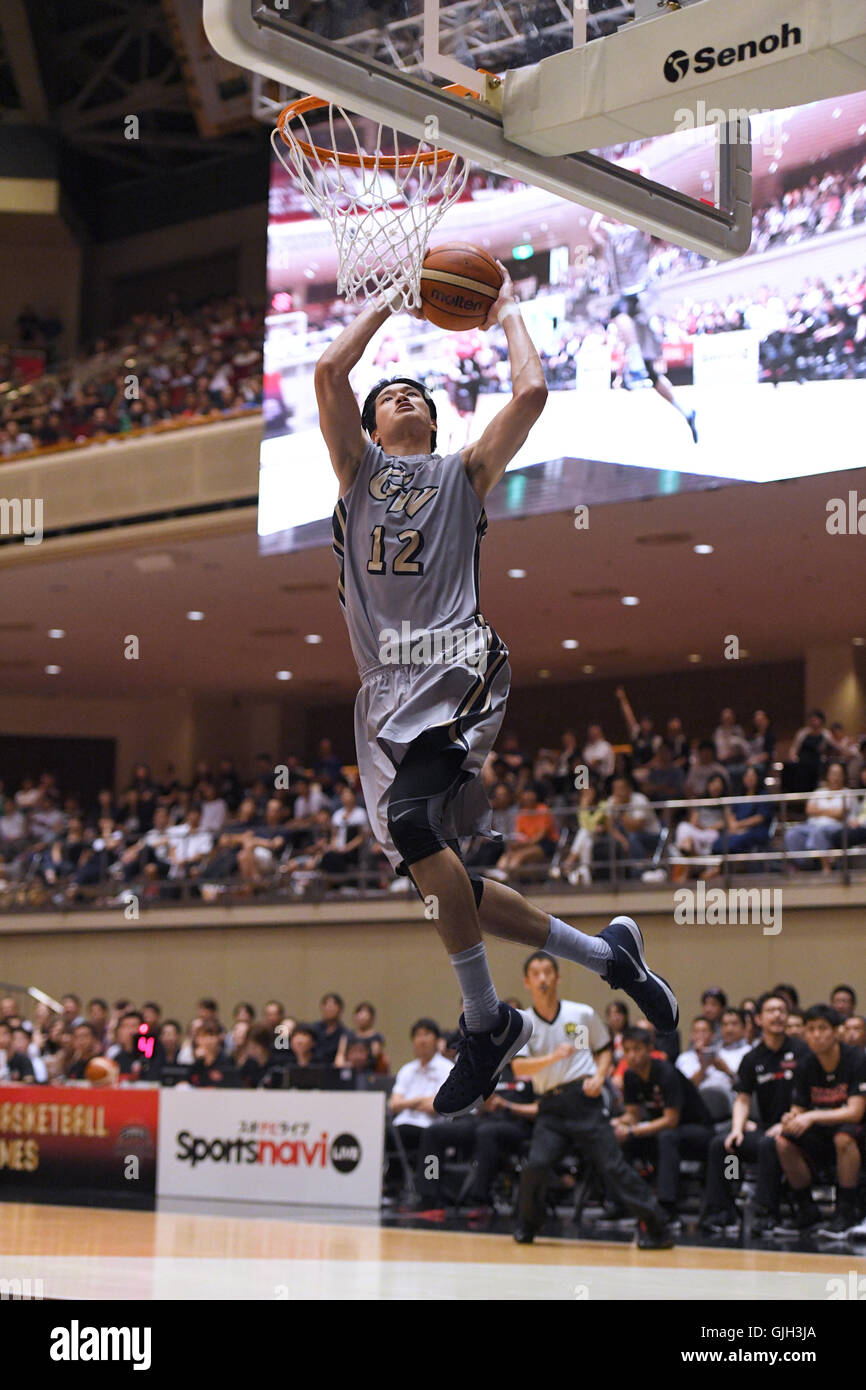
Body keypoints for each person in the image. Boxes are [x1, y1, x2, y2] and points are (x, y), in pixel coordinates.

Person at [315, 261, 678, 1114]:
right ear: (369, 425)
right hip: (382, 699)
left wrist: (509, 308)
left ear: (435, 421)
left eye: (417, 394)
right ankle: (609, 958)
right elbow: (332, 373)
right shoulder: (356, 475)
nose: (404, 397)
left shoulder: (461, 473)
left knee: (414, 827)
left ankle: (486, 1023)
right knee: (452, 888)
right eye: (391, 394)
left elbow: (533, 392)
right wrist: (385, 303)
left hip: (457, 668)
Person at [512, 953, 672, 1249]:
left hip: (583, 1102)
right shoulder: (524, 1024)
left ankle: (658, 1227)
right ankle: (528, 1224)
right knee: (536, 1164)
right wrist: (553, 1057)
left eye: (548, 972)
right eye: (536, 974)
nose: (543, 978)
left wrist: (600, 1077)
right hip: (550, 1107)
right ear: (527, 982)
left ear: (558, 978)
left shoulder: (580, 1014)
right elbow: (519, 1068)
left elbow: (603, 1050)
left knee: (613, 1166)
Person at [700, 992, 809, 1237]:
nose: (778, 1015)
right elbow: (742, 1098)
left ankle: (766, 1211)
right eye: (771, 1011)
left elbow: (807, 1096)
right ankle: (725, 1208)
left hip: (797, 1126)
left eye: (782, 1010)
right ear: (758, 1019)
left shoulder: (802, 1052)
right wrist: (737, 1129)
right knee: (724, 1145)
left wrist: (786, 1123)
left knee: (770, 1145)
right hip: (766, 1126)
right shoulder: (752, 1058)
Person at [775, 1004, 866, 1237]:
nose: (816, 1034)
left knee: (843, 1138)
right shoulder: (805, 1065)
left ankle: (845, 1211)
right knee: (783, 1141)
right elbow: (799, 1107)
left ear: (836, 1032)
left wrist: (812, 1115)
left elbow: (855, 1112)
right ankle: (807, 1211)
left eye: (823, 1028)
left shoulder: (856, 1059)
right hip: (823, 1131)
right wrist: (791, 1117)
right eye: (811, 1029)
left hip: (855, 1130)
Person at [615, 1025, 713, 1230]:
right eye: (627, 1050)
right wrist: (619, 1124)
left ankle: (668, 1208)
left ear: (650, 1048)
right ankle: (622, 1204)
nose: (632, 1056)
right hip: (663, 1130)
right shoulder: (630, 1076)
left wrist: (633, 1130)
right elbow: (634, 1114)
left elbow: (671, 1120)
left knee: (666, 1137)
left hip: (697, 1129)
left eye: (637, 1049)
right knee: (618, 1139)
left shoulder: (666, 1072)